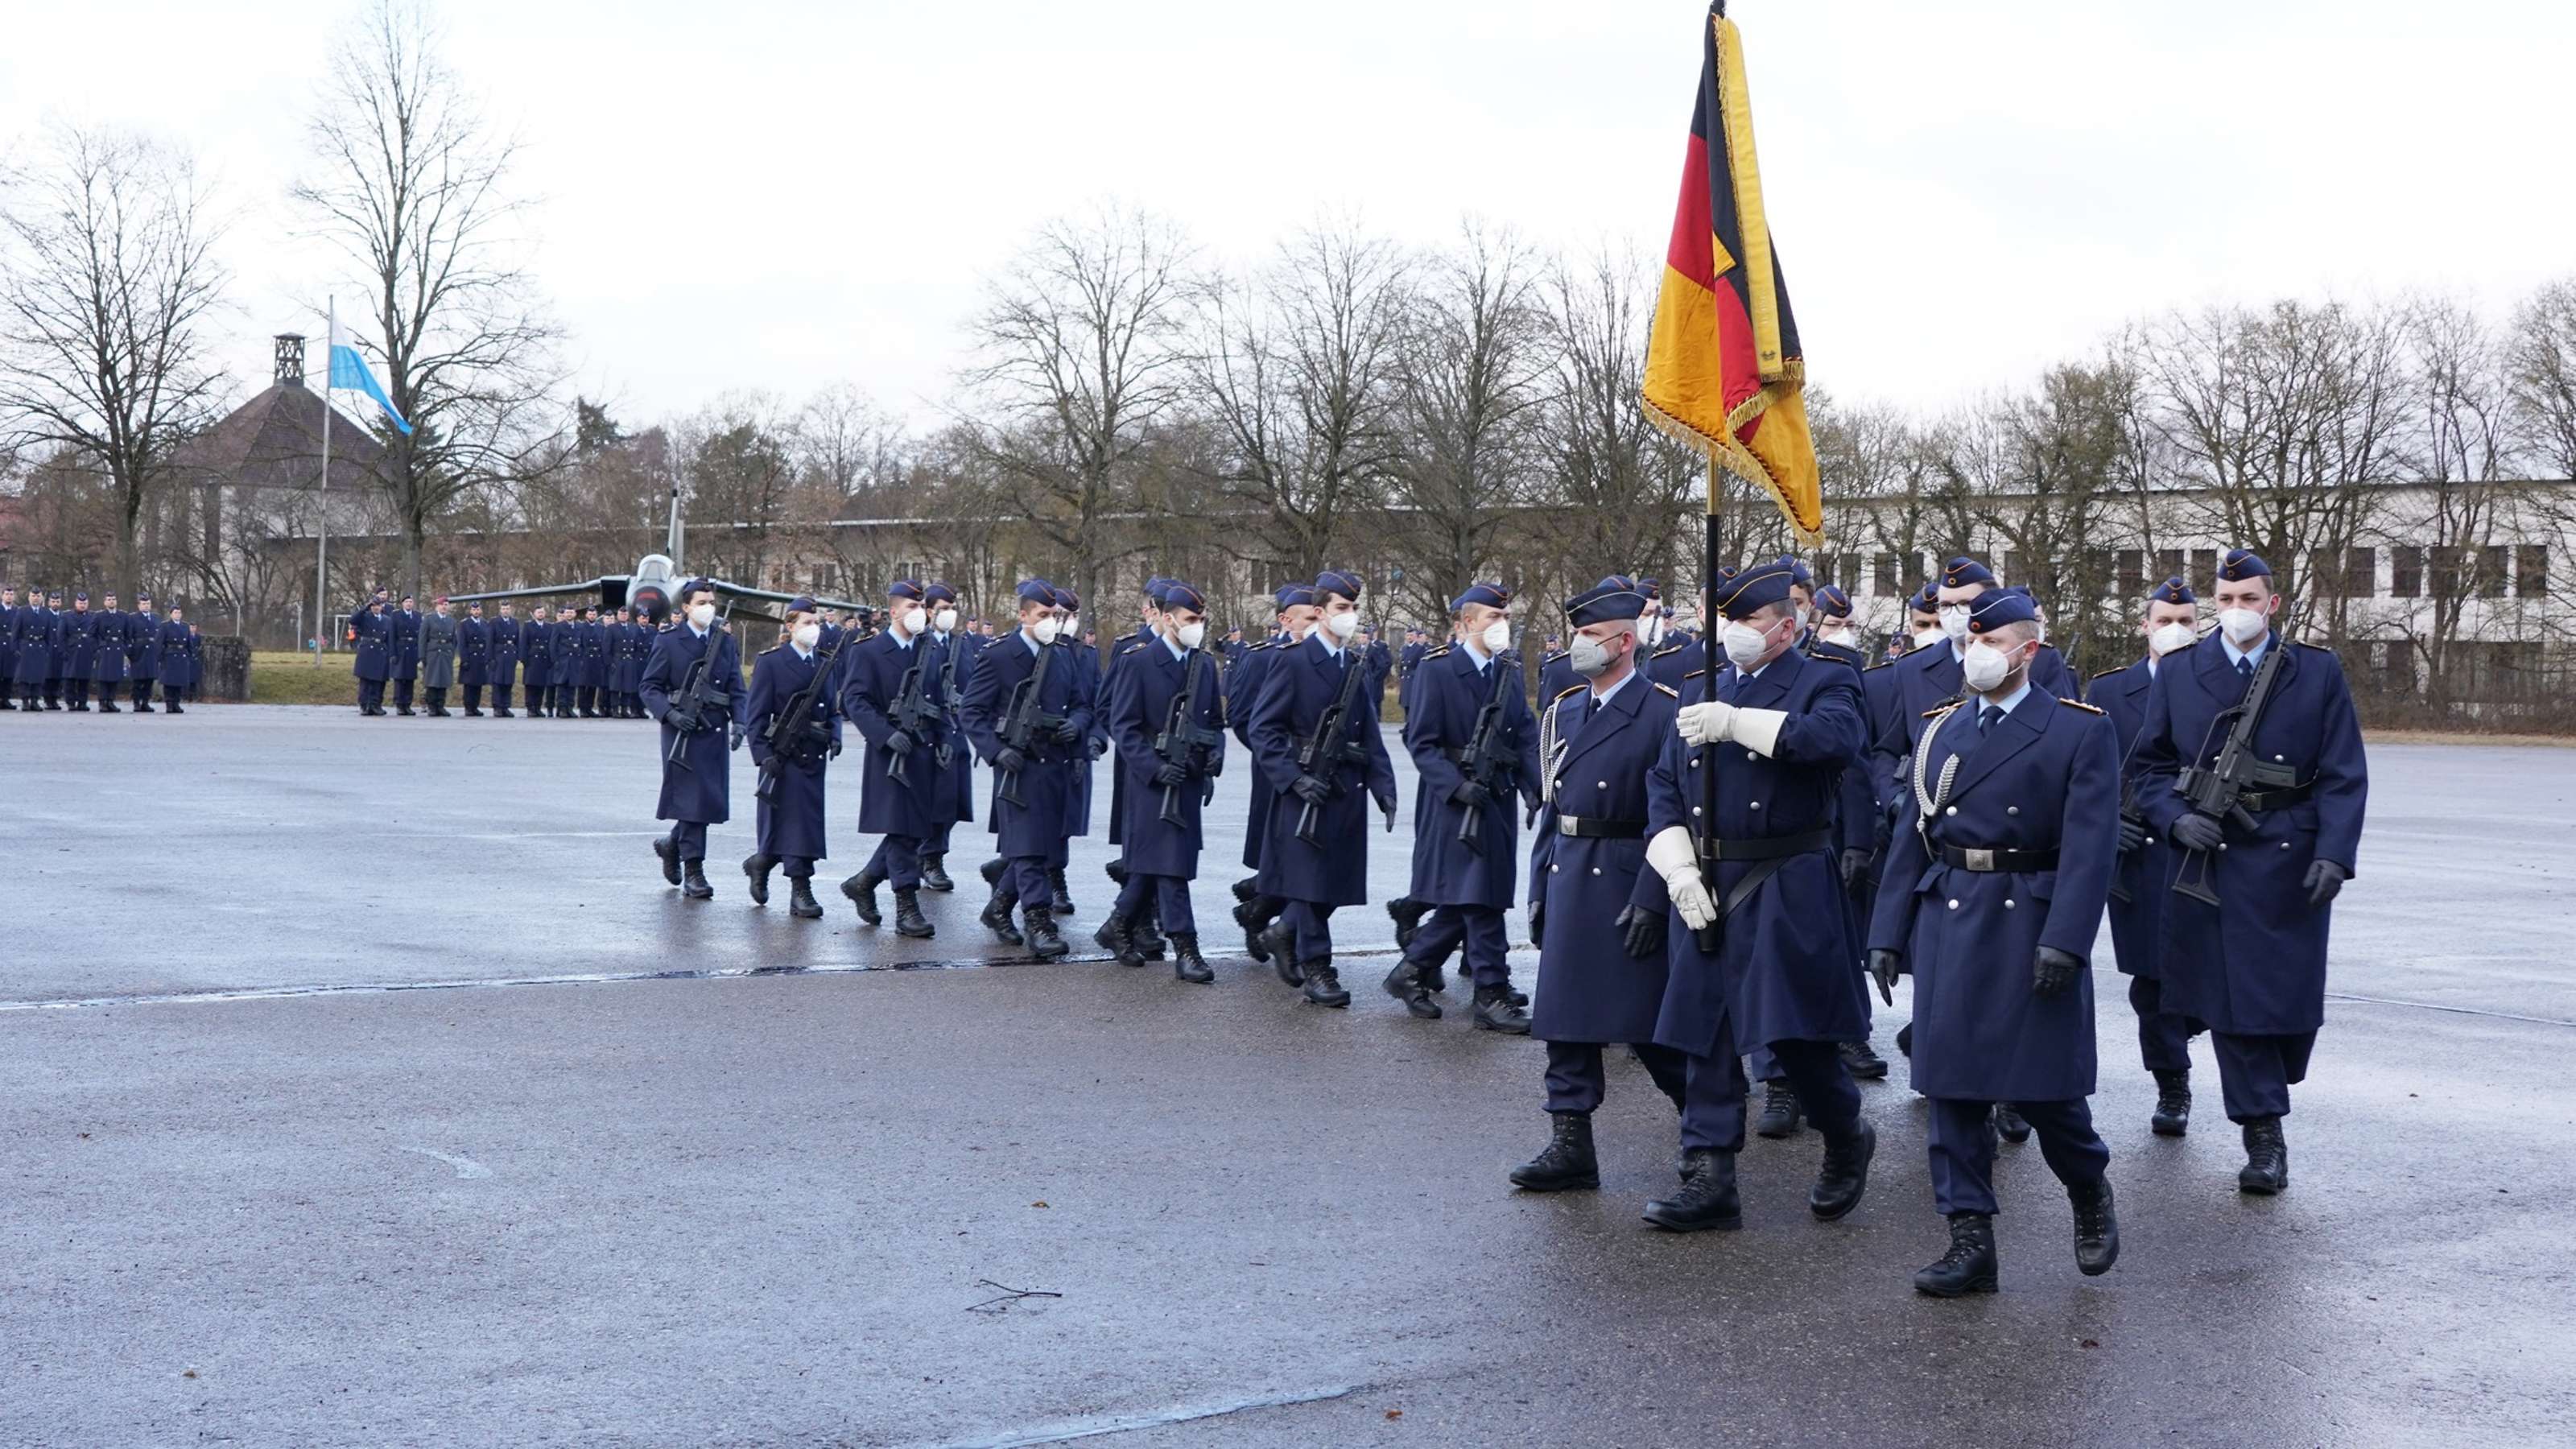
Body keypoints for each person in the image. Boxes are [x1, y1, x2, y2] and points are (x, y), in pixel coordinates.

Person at [1866, 587, 2123, 1294]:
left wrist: (2066, 942)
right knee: (1951, 1088)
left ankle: (2088, 1187)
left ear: (2028, 651)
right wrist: (1887, 931)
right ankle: (1969, 1238)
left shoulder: (2076, 729)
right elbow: (1915, 839)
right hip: (1953, 914)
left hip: (2029, 919)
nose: (1977, 654)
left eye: (1991, 642)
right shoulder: (1942, 728)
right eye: (1971, 642)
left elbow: (2090, 849)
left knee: (2043, 1093)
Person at [1635, 559, 1876, 1234]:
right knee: (1705, 1033)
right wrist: (1676, 867)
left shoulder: (1826, 678)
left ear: (1787, 627)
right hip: (1709, 877)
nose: (1735, 632)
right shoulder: (1694, 686)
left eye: (1748, 621)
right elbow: (1662, 782)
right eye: (1727, 620)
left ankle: (1845, 1131)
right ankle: (1710, 1176)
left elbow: (1835, 742)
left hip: (1784, 878)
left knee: (1793, 1036)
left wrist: (1738, 723)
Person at [2132, 549, 2367, 1195]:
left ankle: (2273, 1085)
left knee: (2287, 1010)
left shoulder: (2314, 672)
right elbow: (2147, 769)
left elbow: (2344, 772)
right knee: (2236, 1006)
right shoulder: (2181, 672)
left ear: (2274, 604)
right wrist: (2175, 819)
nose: (2237, 611)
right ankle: (2263, 1133)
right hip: (2208, 857)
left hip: (2288, 850)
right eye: (2227, 600)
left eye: (2249, 599)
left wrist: (2335, 853)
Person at [1866, 558, 2070, 1143]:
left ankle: (2014, 1097)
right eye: (1953, 609)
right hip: (1943, 866)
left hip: (2018, 874)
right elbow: (1885, 752)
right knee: (1948, 1023)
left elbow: (2067, 776)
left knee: (2013, 1007)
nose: (1964, 620)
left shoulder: (2049, 673)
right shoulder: (1917, 678)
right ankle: (1965, 1203)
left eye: (1975, 608)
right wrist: (1901, 795)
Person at [1511, 579, 1688, 1191]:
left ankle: (1705, 1134)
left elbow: (1674, 816)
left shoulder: (1664, 709)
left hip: (1627, 870)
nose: (1578, 646)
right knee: (1565, 1018)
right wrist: (1538, 885)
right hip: (1569, 868)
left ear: (1625, 640)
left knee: (1648, 1025)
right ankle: (1570, 1141)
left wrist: (1652, 895)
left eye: (1589, 636)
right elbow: (1553, 805)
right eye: (1576, 635)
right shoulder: (1563, 708)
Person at [1384, 582, 1539, 1031]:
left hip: (1496, 797)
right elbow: (1422, 741)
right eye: (1493, 617)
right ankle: (1489, 992)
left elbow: (1525, 735)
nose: (1501, 625)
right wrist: (1455, 786)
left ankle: (1411, 971)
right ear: (1465, 623)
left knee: (1476, 895)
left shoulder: (1508, 670)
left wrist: (1534, 787)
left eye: (1505, 617)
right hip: (1454, 801)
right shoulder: (1438, 670)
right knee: (1479, 899)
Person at [1247, 568, 1399, 1005]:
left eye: (1353, 609)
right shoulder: (1291, 661)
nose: (1350, 616)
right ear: (1319, 613)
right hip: (1306, 792)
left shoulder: (1355, 664)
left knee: (1333, 883)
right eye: (1342, 609)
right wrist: (1293, 778)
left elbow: (1369, 733)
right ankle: (1318, 969)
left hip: (1345, 790)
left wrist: (1382, 786)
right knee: (1312, 885)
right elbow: (1264, 730)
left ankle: (1283, 931)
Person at [2088, 576, 2206, 1134]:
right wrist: (2109, 823)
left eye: (2185, 621)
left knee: (2207, 970)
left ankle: (2190, 1027)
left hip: (2207, 849)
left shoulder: (2221, 685)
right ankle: (2172, 1084)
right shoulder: (2110, 692)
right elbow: (2084, 771)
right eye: (2164, 621)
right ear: (2145, 626)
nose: (2175, 630)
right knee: (2152, 982)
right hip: (2138, 853)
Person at [1098, 579, 1228, 983]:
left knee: (1161, 861)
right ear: (1168, 619)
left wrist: (1214, 755)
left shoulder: (1204, 665)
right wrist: (1153, 767)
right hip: (1151, 781)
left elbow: (1214, 723)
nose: (1198, 626)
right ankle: (1186, 946)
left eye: (1202, 619)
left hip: (1187, 778)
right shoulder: (1138, 661)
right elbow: (1124, 725)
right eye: (1191, 619)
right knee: (1171, 866)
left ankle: (1117, 926)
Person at [960, 580, 1093, 959]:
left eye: (1054, 615)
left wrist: (1077, 726)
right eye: (1043, 615)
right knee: (1030, 852)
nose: (1051, 621)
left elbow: (1083, 704)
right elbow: (972, 711)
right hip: (1017, 767)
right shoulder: (1000, 655)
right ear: (1023, 615)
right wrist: (996, 752)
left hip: (1055, 765)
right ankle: (1039, 921)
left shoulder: (1064, 655)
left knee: (1041, 848)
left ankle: (998, 908)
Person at [836, 580, 945, 939]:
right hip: (891, 754)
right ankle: (906, 905)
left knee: (915, 829)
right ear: (894, 611)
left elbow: (940, 700)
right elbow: (854, 700)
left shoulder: (929, 649)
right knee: (902, 830)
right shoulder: (869, 651)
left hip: (924, 751)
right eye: (911, 608)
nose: (919, 615)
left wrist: (944, 737)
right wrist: (884, 734)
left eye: (922, 609)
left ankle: (864, 882)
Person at [1226, 584, 1319, 962]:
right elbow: (1242, 716)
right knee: (1279, 851)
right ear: (1285, 619)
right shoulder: (1263, 656)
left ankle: (1258, 906)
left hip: (1315, 770)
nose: (1317, 622)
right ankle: (1261, 913)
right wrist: (1278, 757)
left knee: (1301, 852)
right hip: (1275, 770)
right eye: (1309, 617)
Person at [641, 580, 745, 899]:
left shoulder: (723, 642)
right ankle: (694, 870)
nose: (709, 607)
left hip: (712, 729)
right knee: (690, 802)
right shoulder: (670, 641)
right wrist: (670, 715)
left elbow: (736, 687)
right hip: (682, 732)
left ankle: (672, 843)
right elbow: (649, 687)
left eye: (712, 602)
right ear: (685, 607)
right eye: (702, 602)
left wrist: (741, 722)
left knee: (706, 802)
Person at [743, 598, 840, 919]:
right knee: (792, 824)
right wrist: (762, 754)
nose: (814, 629)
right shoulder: (772, 662)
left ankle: (762, 862)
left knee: (805, 824)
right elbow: (755, 715)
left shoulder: (824, 662)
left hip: (814, 755)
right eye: (808, 623)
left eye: (817, 623)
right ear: (790, 626)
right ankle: (801, 889)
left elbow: (833, 708)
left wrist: (836, 735)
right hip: (783, 756)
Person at [919, 582, 977, 893]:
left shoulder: (961, 644)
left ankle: (932, 852)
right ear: (929, 612)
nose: (949, 614)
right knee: (934, 800)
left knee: (955, 801)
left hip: (956, 728)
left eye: (952, 608)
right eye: (943, 609)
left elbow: (973, 683)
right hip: (929, 731)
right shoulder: (920, 641)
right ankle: (930, 858)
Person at [349, 594, 392, 716]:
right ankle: (364, 705)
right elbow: (353, 620)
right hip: (367, 650)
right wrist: (365, 608)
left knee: (378, 681)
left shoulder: (387, 620)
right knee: (366, 681)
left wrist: (390, 653)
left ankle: (375, 704)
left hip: (381, 651)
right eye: (374, 605)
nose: (376, 608)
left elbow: (389, 637)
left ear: (382, 606)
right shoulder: (365, 617)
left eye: (378, 605)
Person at [88, 592, 130, 712]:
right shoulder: (99, 616)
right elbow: (91, 635)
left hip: (117, 648)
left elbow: (128, 634)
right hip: (104, 648)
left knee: (114, 676)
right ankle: (102, 702)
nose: (111, 601)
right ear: (105, 602)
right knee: (103, 677)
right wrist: (97, 649)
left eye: (113, 599)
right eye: (109, 599)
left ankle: (111, 701)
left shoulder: (123, 616)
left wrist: (125, 648)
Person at [419, 597, 458, 716]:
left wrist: (451, 652)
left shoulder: (451, 621)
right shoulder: (429, 619)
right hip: (433, 653)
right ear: (437, 607)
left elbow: (454, 640)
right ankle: (432, 706)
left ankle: (440, 706)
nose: (444, 607)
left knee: (443, 681)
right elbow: (422, 639)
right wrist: (422, 656)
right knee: (432, 681)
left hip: (446, 653)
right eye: (442, 605)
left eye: (446, 605)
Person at [388, 595, 423, 716]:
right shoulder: (396, 615)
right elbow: (392, 635)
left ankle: (407, 704)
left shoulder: (418, 615)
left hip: (413, 649)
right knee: (399, 679)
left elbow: (421, 636)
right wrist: (392, 653)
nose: (409, 604)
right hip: (400, 649)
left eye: (411, 602)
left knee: (410, 679)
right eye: (407, 602)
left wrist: (420, 653)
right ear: (402, 604)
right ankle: (399, 704)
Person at [61, 592, 97, 711]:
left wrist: (94, 650)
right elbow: (61, 635)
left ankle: (82, 702)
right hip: (71, 649)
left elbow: (96, 634)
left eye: (85, 603)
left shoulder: (93, 616)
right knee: (70, 678)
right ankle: (70, 702)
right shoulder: (67, 616)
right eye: (80, 603)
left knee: (84, 678)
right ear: (76, 603)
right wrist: (63, 651)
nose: (82, 605)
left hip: (86, 650)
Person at [126, 592, 161, 712]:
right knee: (138, 679)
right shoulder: (133, 618)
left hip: (152, 650)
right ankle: (136, 702)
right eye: (144, 604)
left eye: (148, 603)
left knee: (149, 679)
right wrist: (130, 652)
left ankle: (145, 702)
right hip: (139, 651)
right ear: (139, 605)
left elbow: (159, 636)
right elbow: (128, 636)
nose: (146, 606)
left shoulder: (156, 618)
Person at [156, 605, 195, 712]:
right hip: (169, 655)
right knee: (169, 682)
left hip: (182, 655)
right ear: (171, 614)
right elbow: (159, 642)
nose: (178, 615)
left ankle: (176, 703)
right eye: (175, 613)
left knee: (179, 682)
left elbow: (189, 642)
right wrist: (160, 657)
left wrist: (190, 655)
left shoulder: (185, 626)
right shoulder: (165, 626)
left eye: (179, 613)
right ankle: (169, 703)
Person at [489, 601, 523, 718]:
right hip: (498, 655)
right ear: (500, 610)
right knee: (498, 682)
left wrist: (518, 656)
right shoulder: (494, 622)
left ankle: (506, 706)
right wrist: (490, 658)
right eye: (503, 609)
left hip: (510, 655)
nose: (506, 611)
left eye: (508, 609)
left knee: (508, 682)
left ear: (511, 610)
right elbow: (490, 641)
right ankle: (497, 707)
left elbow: (518, 640)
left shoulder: (514, 622)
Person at [518, 605, 551, 720]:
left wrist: (550, 659)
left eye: (542, 612)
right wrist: (524, 659)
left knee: (541, 685)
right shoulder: (528, 626)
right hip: (532, 659)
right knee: (531, 685)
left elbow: (550, 643)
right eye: (538, 612)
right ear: (534, 614)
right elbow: (523, 643)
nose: (541, 614)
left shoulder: (548, 626)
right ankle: (530, 707)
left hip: (544, 658)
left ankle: (538, 707)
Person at [456, 601, 490, 716]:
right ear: (471, 611)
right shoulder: (465, 624)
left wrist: (487, 656)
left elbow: (487, 641)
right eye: (474, 609)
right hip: (470, 656)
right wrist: (464, 659)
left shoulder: (485, 623)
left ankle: (475, 706)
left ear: (480, 610)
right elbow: (462, 643)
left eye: (478, 609)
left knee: (478, 684)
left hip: (481, 655)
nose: (476, 611)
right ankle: (468, 707)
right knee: (469, 684)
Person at [0, 584, 19, 711]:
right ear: (2, 595)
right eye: (7, 594)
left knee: (8, 673)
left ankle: (6, 699)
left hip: (11, 643)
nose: (9, 596)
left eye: (11, 594)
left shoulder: (17, 611)